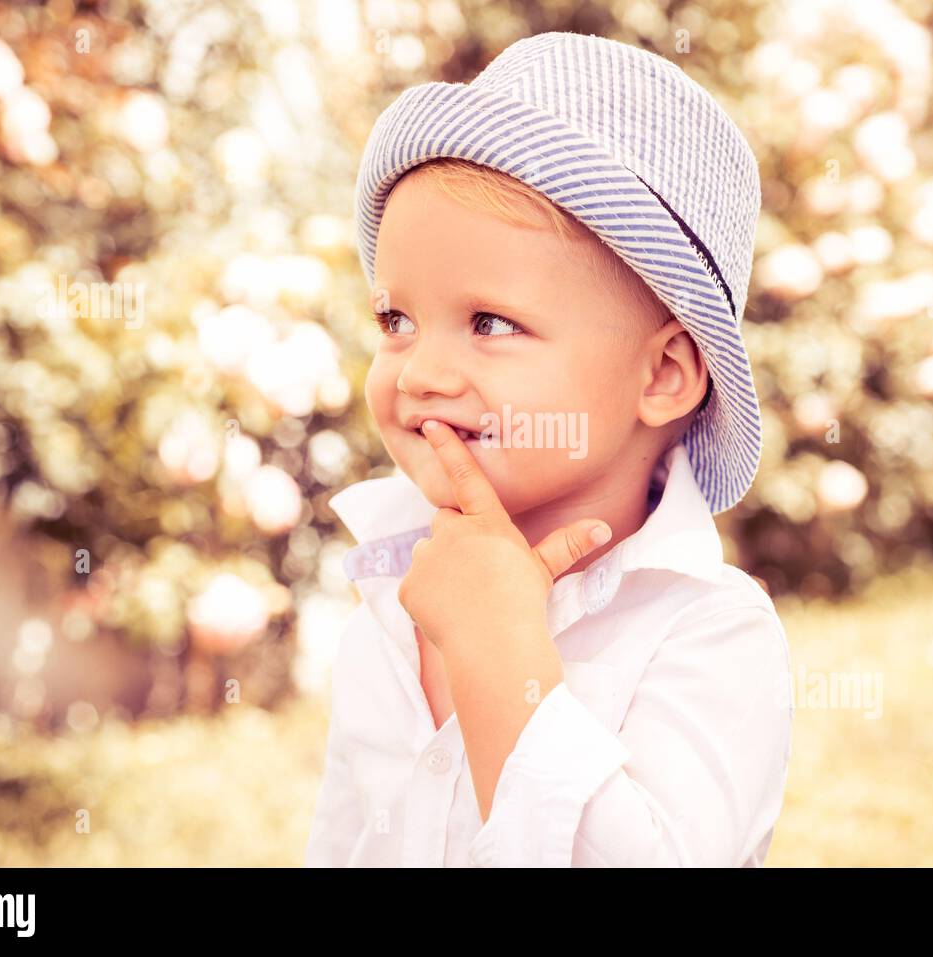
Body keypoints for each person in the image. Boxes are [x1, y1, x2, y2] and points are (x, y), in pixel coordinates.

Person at [305, 31, 792, 867]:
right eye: (397, 320)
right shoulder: (387, 610)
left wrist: (500, 649)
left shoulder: (708, 634)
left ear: (664, 374)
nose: (418, 370)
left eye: (491, 323)